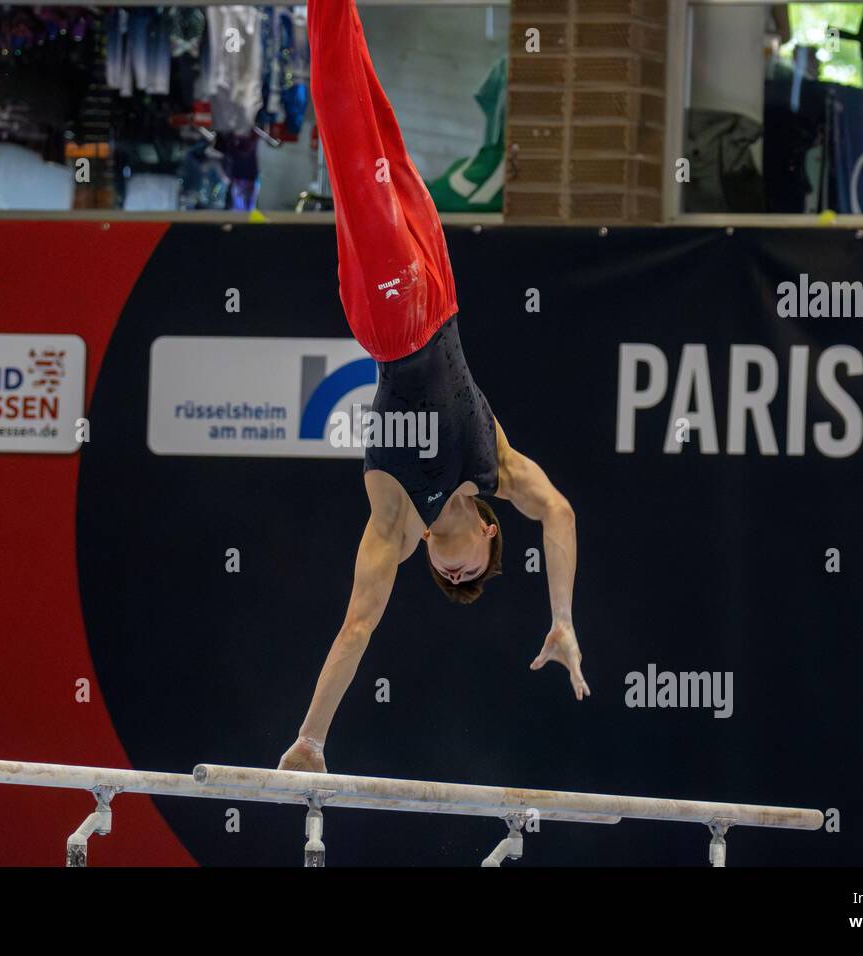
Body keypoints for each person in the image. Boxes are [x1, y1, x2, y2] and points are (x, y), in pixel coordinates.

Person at [278, 0, 589, 775]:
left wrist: (312, 739)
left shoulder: (396, 517)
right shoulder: (498, 468)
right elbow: (559, 512)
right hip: (439, 288)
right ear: (489, 535)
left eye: (448, 582)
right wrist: (562, 618)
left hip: (390, 318)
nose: (454, 576)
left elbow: (357, 627)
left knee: (347, 131)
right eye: (472, 573)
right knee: (376, 115)